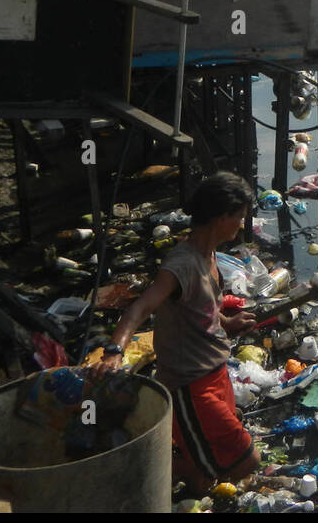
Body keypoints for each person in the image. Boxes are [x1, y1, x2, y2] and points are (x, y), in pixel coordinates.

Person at [94, 172, 260, 494]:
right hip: (190, 385)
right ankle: (143, 459)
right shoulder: (180, 264)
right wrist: (114, 352)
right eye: (238, 217)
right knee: (246, 461)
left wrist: (227, 323)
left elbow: (203, 309)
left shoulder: (208, 254)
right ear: (221, 217)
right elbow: (140, 308)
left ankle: (184, 462)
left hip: (217, 373)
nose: (241, 224)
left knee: (204, 481)